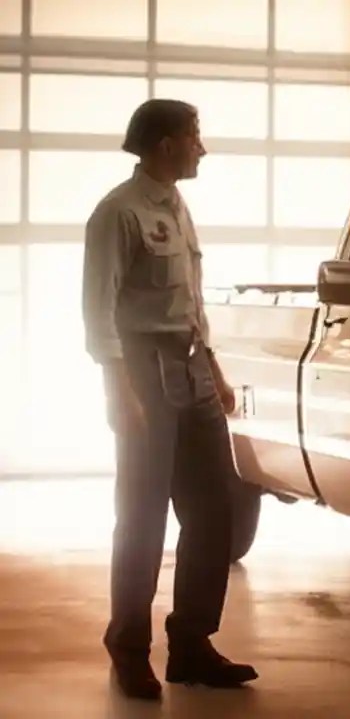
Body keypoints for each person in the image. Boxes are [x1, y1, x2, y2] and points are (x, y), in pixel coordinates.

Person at [82, 98, 258, 700]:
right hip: (141, 370)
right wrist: (119, 390)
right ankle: (129, 648)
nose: (201, 148)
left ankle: (191, 644)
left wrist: (215, 371)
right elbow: (97, 311)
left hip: (191, 368)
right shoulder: (118, 214)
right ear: (164, 144)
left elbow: (191, 304)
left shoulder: (178, 208)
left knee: (214, 511)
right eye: (194, 137)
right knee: (142, 517)